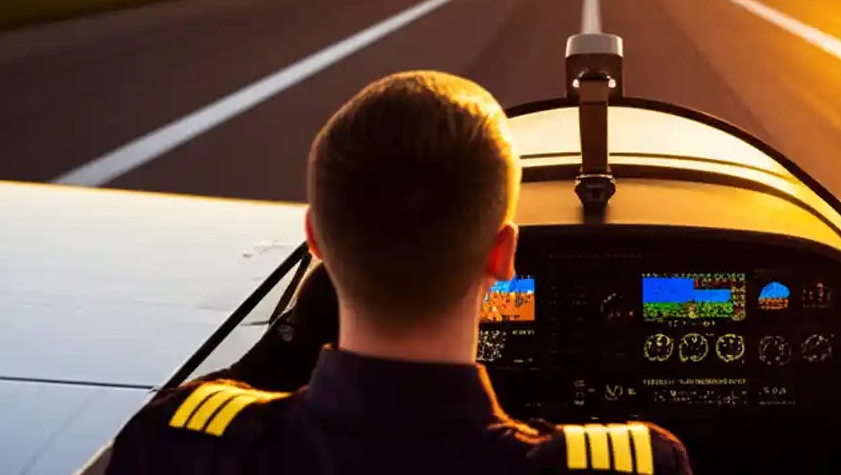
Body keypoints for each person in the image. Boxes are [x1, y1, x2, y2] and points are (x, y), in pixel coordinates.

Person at [104, 71, 692, 474]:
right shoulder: (637, 464)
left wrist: (284, 349)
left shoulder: (180, 446)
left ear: (316, 241)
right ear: (503, 254)